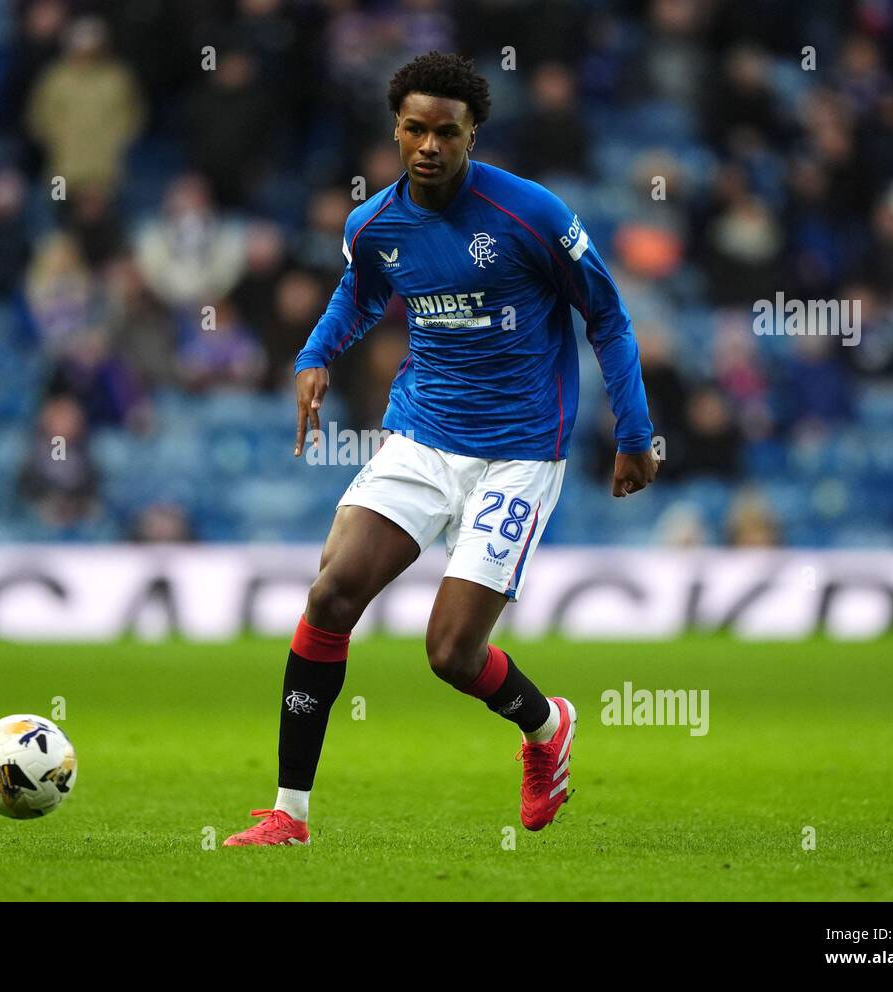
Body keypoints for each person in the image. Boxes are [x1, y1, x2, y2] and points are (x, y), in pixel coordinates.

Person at [224, 52, 658, 847]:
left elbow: (608, 316)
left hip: (520, 452)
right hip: (423, 437)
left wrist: (633, 431)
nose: (429, 145)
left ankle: (545, 725)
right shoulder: (376, 224)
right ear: (396, 128)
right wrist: (316, 354)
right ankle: (290, 813)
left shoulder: (532, 215)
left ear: (472, 135)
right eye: (415, 129)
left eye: (446, 132)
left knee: (453, 654)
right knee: (330, 596)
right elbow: (359, 293)